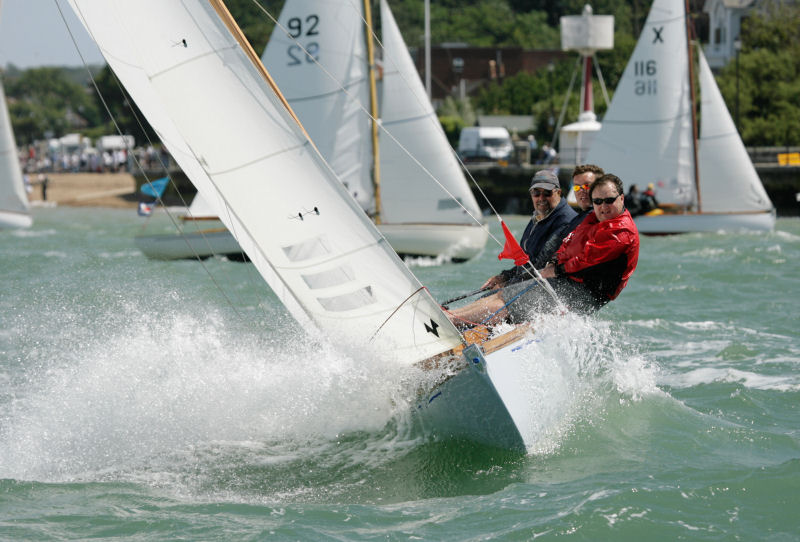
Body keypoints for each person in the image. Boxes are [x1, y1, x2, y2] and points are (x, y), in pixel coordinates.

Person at [449, 173, 639, 326]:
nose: (603, 206)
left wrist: (555, 269)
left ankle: (450, 321)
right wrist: (555, 262)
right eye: (597, 201)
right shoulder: (593, 218)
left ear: (621, 198)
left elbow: (586, 260)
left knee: (507, 301)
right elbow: (569, 242)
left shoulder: (620, 231)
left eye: (609, 200)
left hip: (584, 293)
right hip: (568, 282)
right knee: (502, 295)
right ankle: (451, 317)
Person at [482, 170, 576, 290]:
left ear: (558, 192)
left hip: (548, 289)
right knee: (481, 301)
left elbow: (541, 265)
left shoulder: (566, 221)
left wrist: (507, 286)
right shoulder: (538, 217)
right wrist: (504, 276)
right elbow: (527, 263)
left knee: (486, 304)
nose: (541, 198)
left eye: (547, 193)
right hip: (528, 284)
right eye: (536, 193)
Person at [565, 164, 604, 233]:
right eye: (576, 187)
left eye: (587, 185)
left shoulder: (605, 219)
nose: (581, 190)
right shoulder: (576, 220)